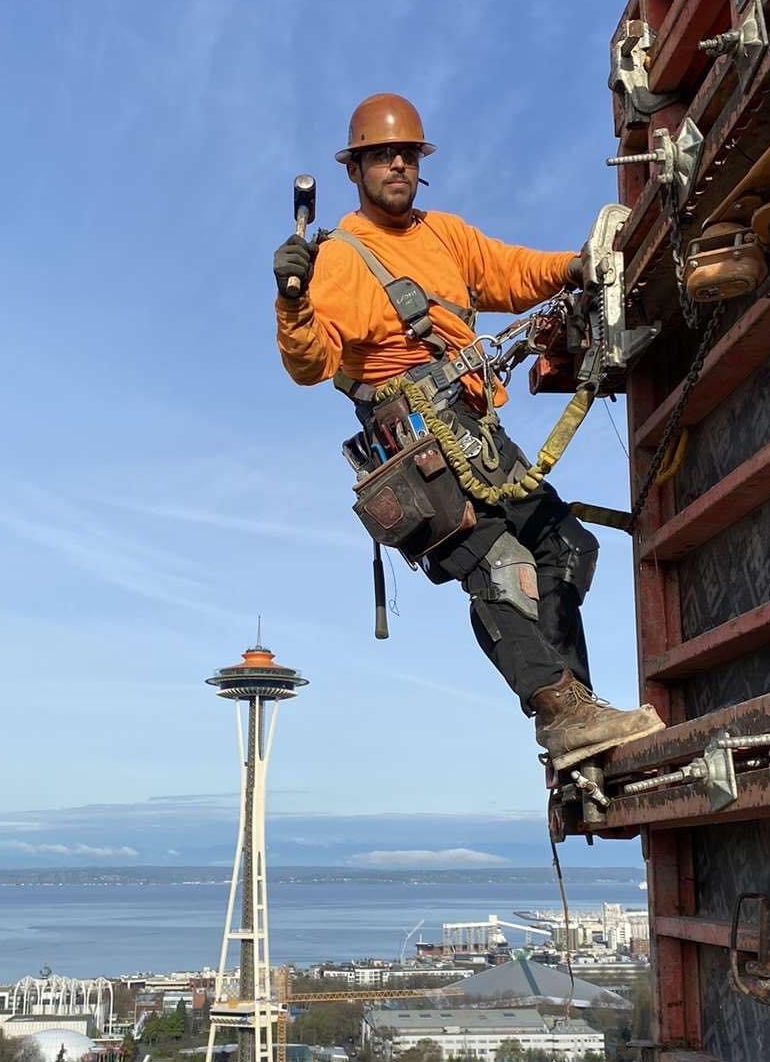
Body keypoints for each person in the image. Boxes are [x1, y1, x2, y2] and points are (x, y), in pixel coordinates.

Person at [272, 93, 661, 763]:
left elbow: (509, 272)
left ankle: (576, 712)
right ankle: (559, 711)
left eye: (407, 155)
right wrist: (293, 300)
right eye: (380, 156)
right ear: (354, 170)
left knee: (567, 548)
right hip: (417, 446)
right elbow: (310, 366)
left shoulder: (443, 233)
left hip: (477, 432)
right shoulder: (338, 258)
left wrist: (575, 267)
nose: (396, 164)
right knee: (502, 567)